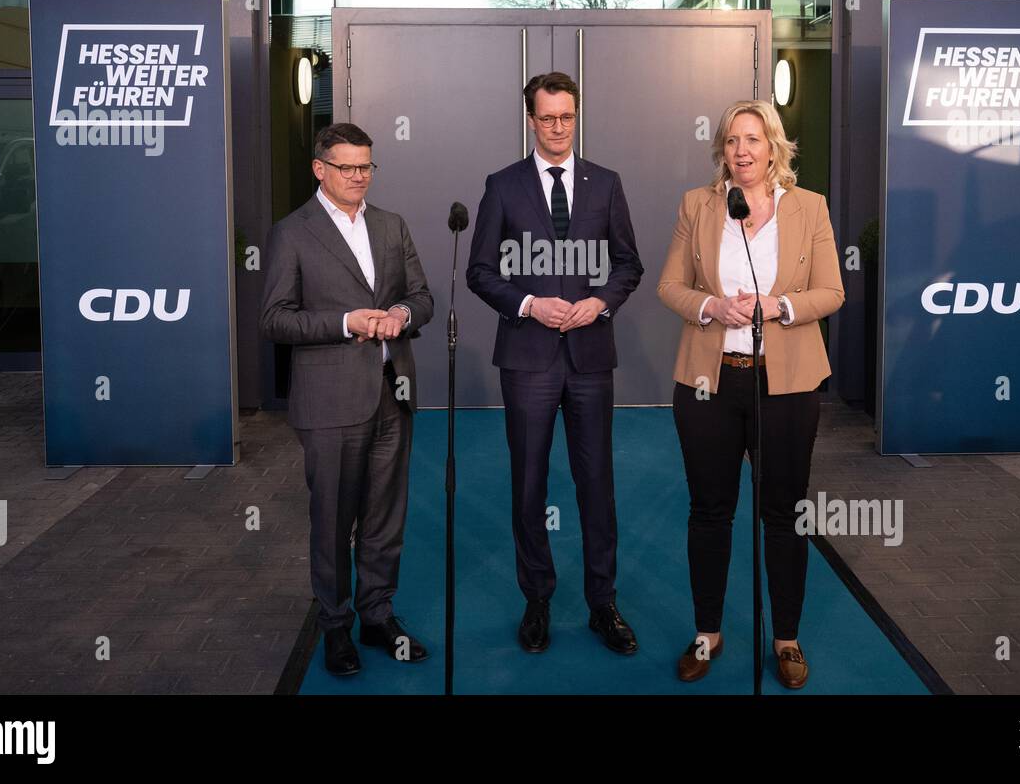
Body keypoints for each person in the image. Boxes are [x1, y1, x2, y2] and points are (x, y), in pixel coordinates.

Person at [657, 99, 844, 688]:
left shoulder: (809, 208)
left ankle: (785, 638)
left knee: (784, 514)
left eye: (753, 139)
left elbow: (832, 291)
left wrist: (779, 306)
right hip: (711, 382)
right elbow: (669, 286)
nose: (742, 150)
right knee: (710, 511)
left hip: (785, 384)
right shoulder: (698, 205)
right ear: (723, 150)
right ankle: (707, 633)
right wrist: (712, 306)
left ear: (774, 148)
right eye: (732, 140)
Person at [466, 71, 644, 655]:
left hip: (591, 358)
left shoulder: (607, 183)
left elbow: (628, 265)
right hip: (528, 359)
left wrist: (600, 303)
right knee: (529, 483)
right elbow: (481, 272)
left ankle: (603, 602)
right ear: (530, 119)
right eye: (548, 118)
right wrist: (528, 304)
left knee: (598, 483)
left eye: (567, 116)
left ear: (577, 115)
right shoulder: (502, 185)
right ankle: (537, 598)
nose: (559, 127)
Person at [259, 122, 434, 677]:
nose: (359, 176)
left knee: (385, 518)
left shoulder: (390, 225)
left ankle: (377, 614)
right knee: (333, 521)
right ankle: (334, 627)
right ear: (320, 169)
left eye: (366, 166)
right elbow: (274, 319)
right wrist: (344, 322)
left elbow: (421, 296)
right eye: (347, 167)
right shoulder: (293, 232)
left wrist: (402, 316)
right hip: (330, 403)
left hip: (392, 393)